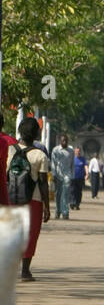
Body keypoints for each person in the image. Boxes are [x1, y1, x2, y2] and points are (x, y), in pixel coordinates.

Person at [7, 116, 51, 281]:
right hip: (34, 200)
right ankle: (25, 271)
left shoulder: (10, 150)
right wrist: (47, 207)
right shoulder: (40, 155)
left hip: (10, 198)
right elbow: (43, 183)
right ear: (36, 134)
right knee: (31, 235)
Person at [51, 134, 74, 219]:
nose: (65, 142)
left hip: (67, 175)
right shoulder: (56, 150)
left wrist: (73, 175)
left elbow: (72, 164)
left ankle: (65, 212)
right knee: (58, 193)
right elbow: (53, 163)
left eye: (66, 140)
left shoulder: (71, 151)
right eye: (63, 140)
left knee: (66, 193)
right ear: (60, 141)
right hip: (58, 174)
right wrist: (53, 174)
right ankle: (58, 210)